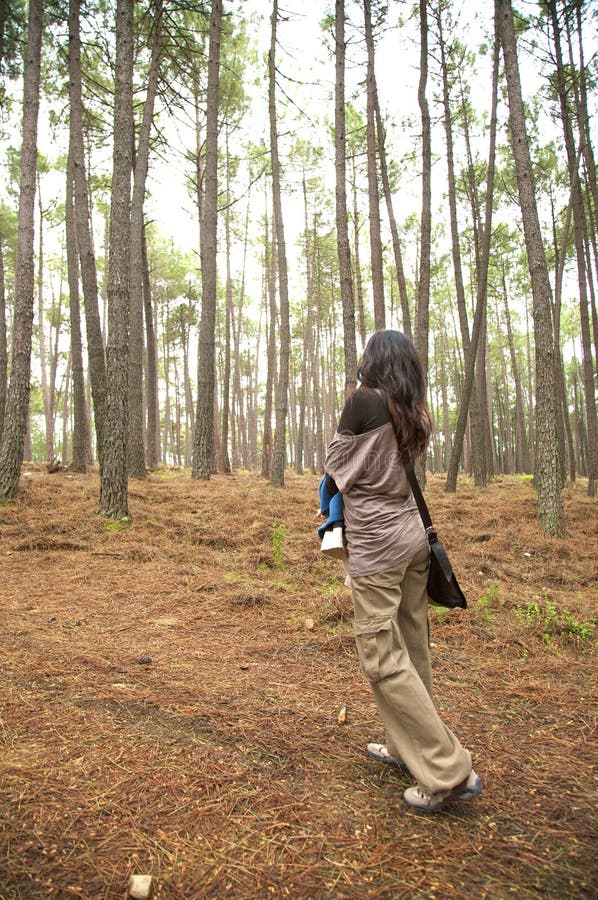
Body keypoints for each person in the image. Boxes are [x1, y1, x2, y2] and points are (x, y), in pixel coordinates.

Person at [323, 329, 482, 813]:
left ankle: (446, 769)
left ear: (373, 361)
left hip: (378, 547)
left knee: (382, 656)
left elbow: (335, 466)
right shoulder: (411, 410)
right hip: (413, 539)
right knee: (412, 648)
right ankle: (402, 747)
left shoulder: (363, 401)